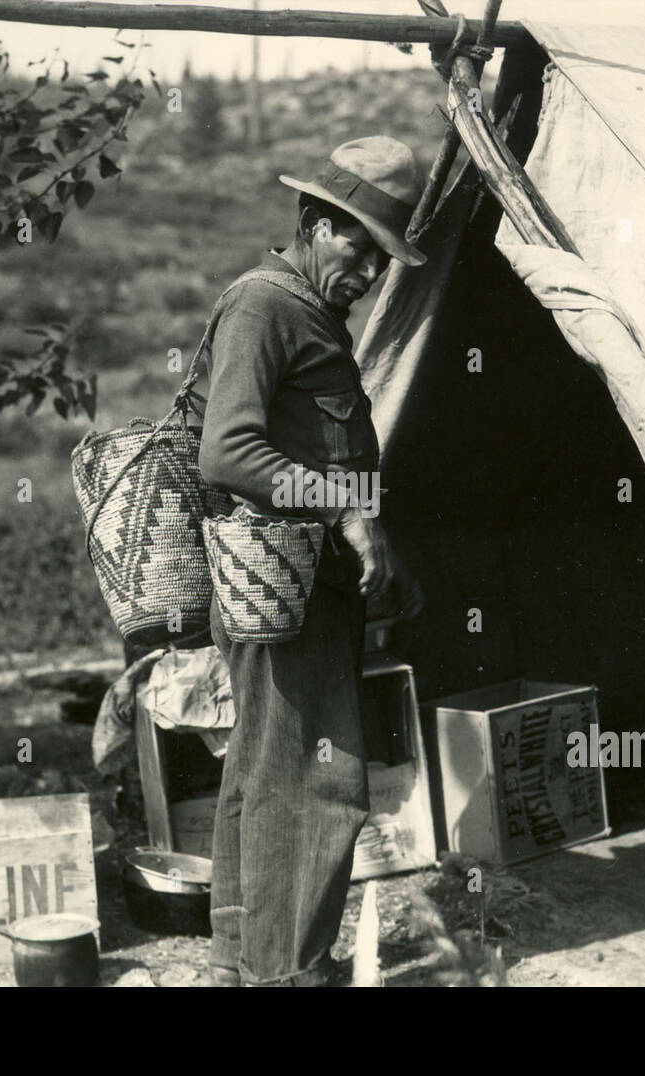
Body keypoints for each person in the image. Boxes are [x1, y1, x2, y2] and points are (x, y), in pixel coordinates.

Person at [197, 136, 426, 986]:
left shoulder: (309, 312)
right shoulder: (266, 306)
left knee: (264, 770)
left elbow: (325, 447)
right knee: (312, 784)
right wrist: (344, 507)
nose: (365, 270)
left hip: (304, 585)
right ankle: (287, 974)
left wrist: (367, 526)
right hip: (275, 582)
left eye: (379, 255)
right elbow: (227, 453)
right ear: (310, 221)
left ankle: (240, 962)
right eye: (351, 243)